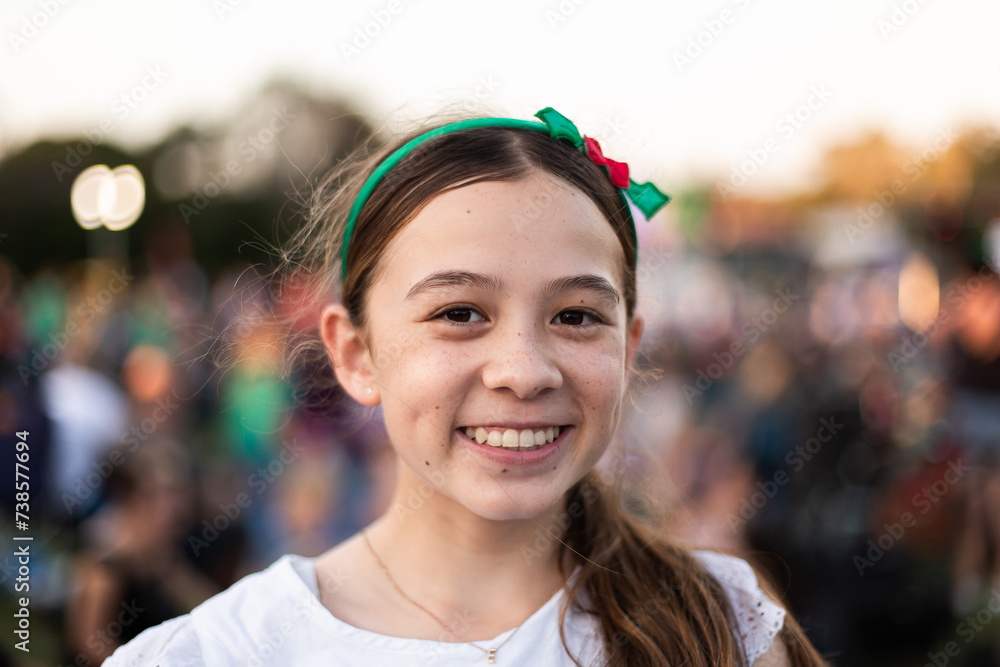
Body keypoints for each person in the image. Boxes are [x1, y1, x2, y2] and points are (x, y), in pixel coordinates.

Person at [104, 106, 828, 666]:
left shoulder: (723, 628)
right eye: (459, 312)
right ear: (356, 354)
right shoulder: (218, 653)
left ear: (629, 346)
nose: (523, 369)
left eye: (576, 315)